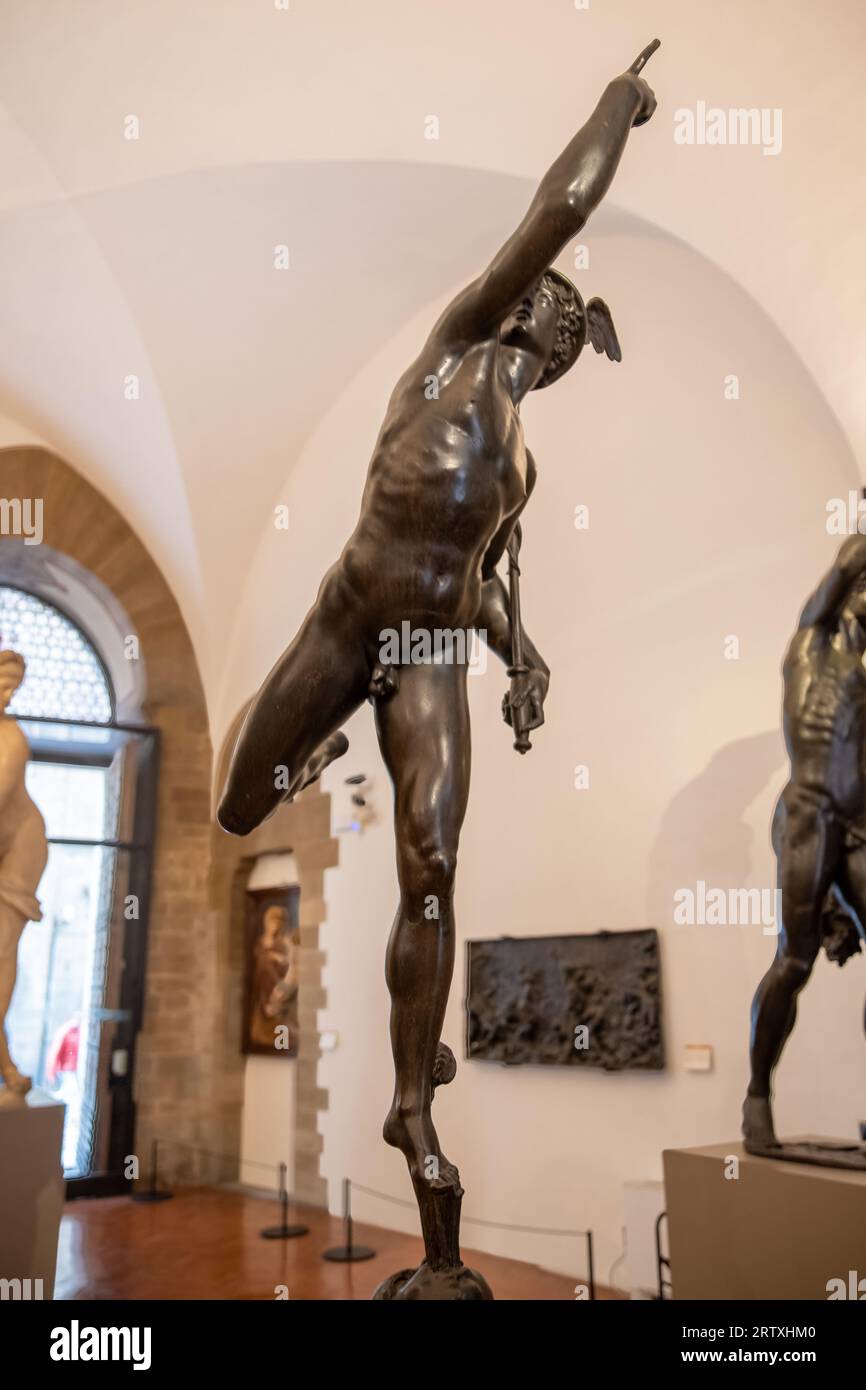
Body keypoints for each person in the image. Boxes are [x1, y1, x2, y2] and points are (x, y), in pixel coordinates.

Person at [220, 50, 658, 1200]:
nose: (550, 327)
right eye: (550, 308)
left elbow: (486, 579)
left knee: (432, 860)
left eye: (561, 329)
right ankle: (298, 745)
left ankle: (409, 1101)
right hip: (351, 613)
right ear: (525, 302)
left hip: (429, 654)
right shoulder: (453, 348)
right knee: (235, 805)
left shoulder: (521, 464)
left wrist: (525, 655)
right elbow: (561, 202)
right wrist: (621, 101)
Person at [744, 534, 866, 1149]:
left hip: (858, 822)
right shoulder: (812, 643)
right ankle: (757, 1094)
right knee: (794, 960)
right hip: (808, 814)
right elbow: (845, 562)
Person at [0, 650, 48, 1094]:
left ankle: (7, 1066)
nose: (8, 694)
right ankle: (7, 1064)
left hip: (17, 850)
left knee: (0, 954)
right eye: (2, 684)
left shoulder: (11, 738)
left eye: (13, 686)